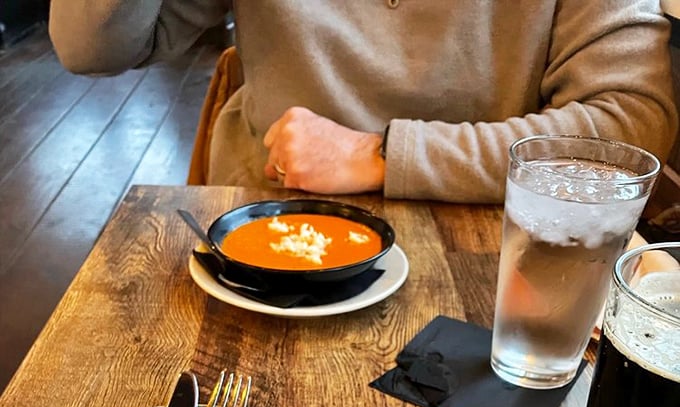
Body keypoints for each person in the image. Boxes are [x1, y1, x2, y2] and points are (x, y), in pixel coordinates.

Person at [48, 0, 678, 203]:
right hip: (268, 216)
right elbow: (91, 46)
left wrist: (382, 155)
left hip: (496, 240)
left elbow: (629, 126)